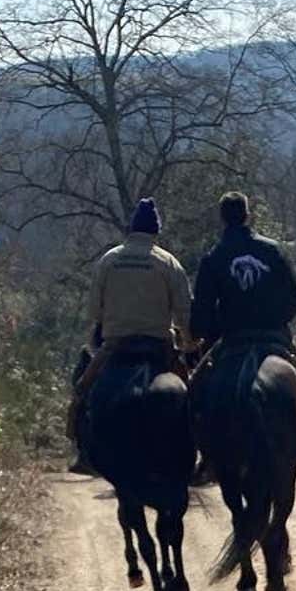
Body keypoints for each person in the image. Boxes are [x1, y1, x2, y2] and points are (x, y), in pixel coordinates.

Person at [190, 192, 296, 487]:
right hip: (275, 336)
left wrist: (214, 328)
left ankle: (207, 461)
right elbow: (295, 300)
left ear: (222, 218)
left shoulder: (212, 258)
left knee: (195, 393)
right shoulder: (272, 250)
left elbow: (201, 316)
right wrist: (273, 317)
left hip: (231, 340)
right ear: (248, 215)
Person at [69, 199, 193, 473]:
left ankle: (85, 454)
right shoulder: (168, 262)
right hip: (159, 347)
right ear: (155, 231)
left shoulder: (109, 259)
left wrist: (114, 319)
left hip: (115, 346)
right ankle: (197, 448)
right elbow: (184, 313)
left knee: (82, 392)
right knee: (191, 396)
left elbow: (93, 311)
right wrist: (187, 341)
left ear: (131, 229)